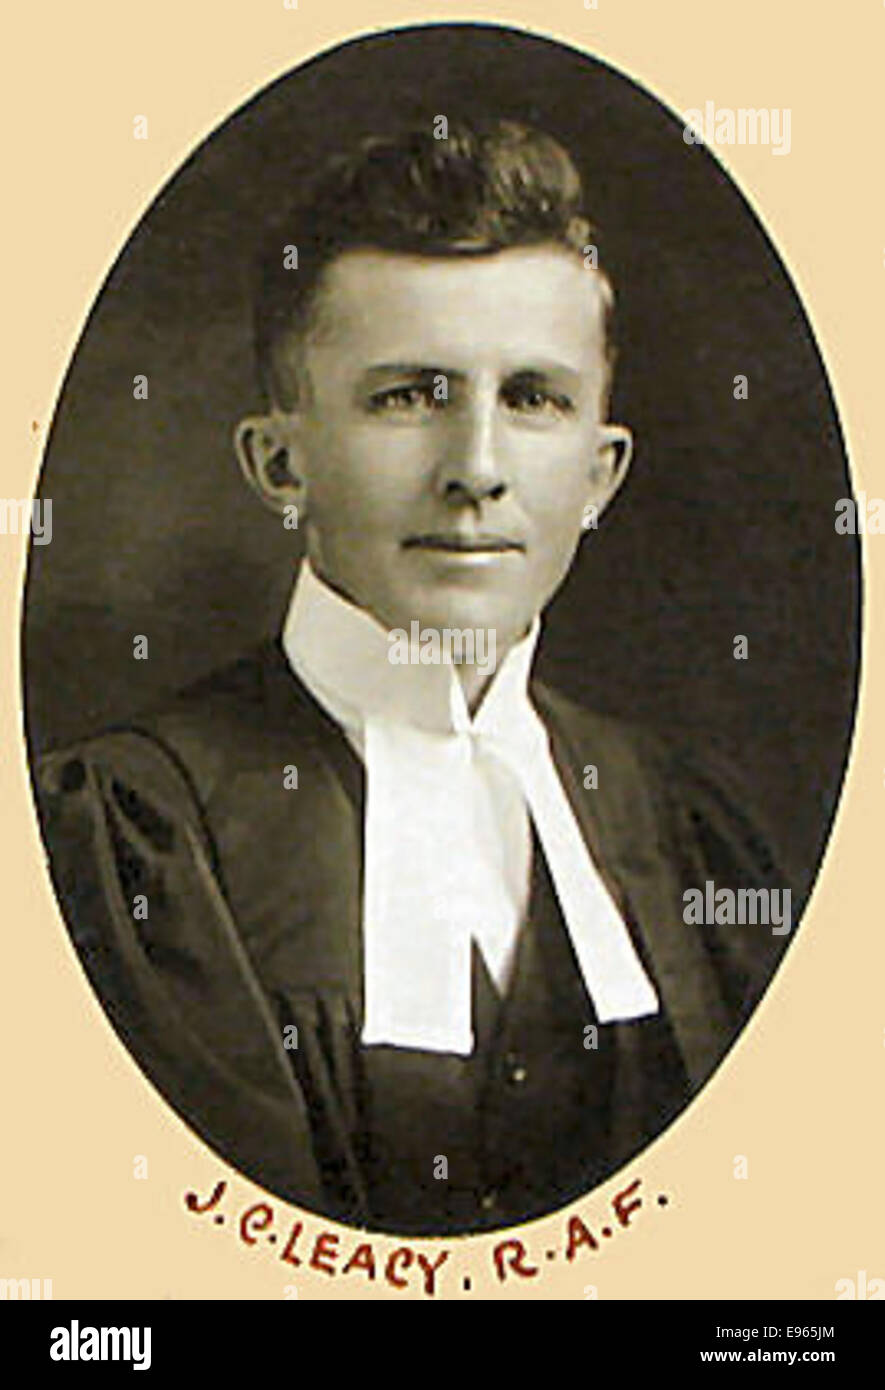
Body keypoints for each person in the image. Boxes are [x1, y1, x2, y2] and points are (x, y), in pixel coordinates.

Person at [35, 118, 794, 1235]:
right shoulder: (131, 837)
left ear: (600, 470)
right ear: (280, 462)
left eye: (533, 397)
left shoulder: (686, 825)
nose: (476, 471)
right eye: (409, 396)